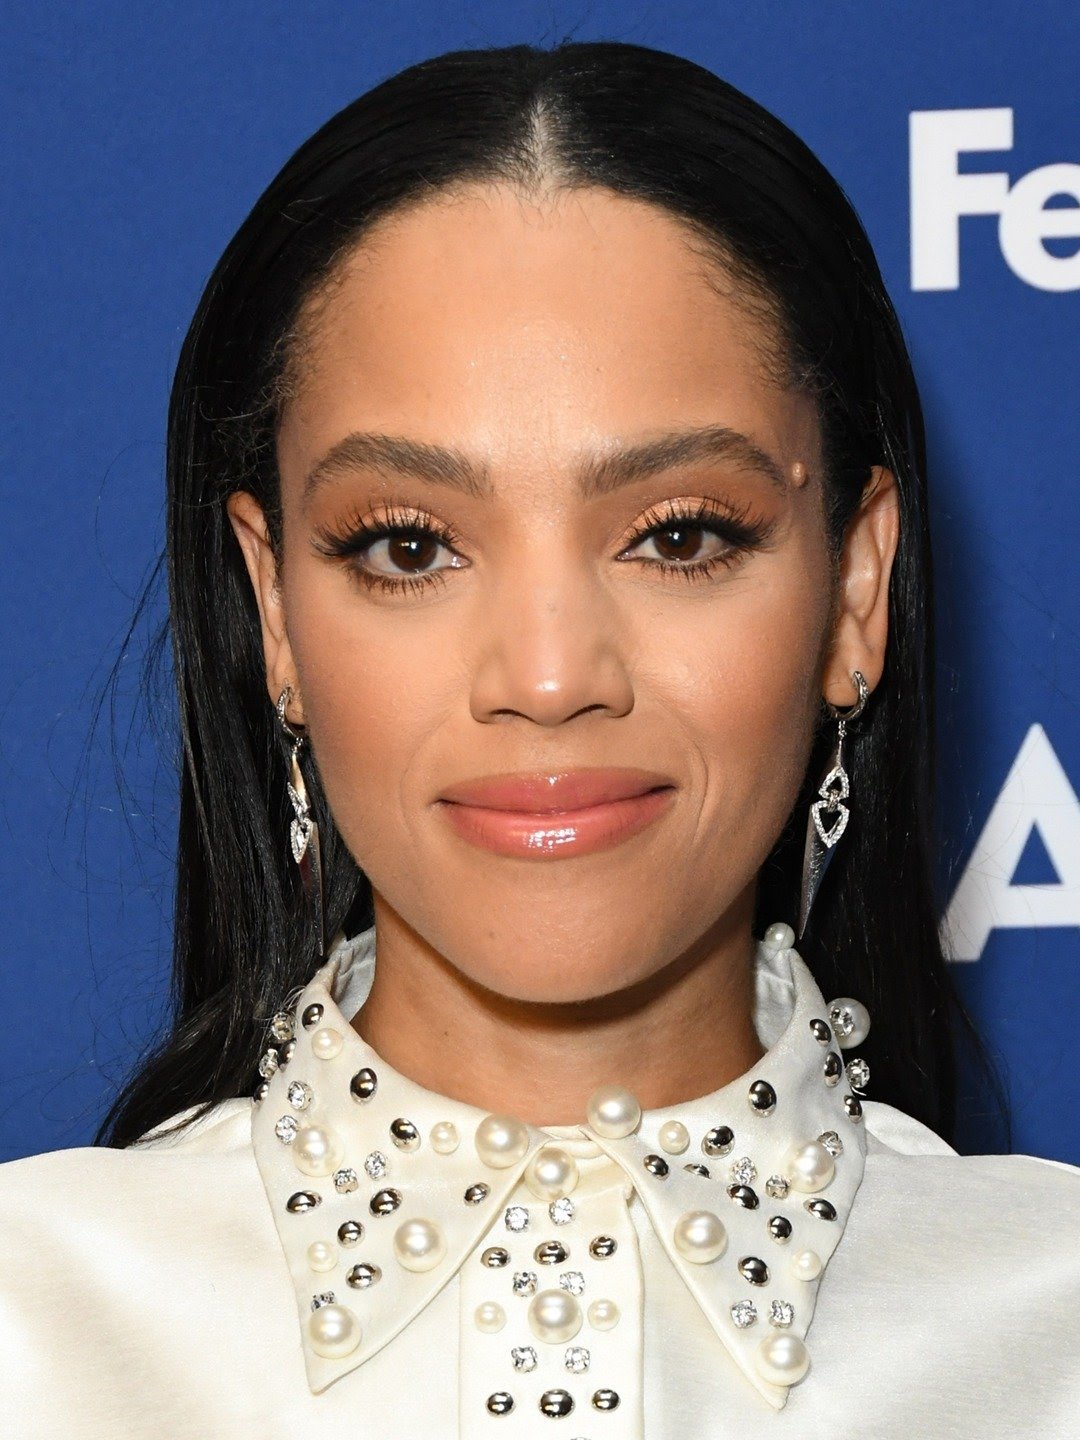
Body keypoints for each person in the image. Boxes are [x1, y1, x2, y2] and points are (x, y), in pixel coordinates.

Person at [2, 38, 1077, 1439]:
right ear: (275, 612)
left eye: (679, 537)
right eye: (409, 546)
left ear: (855, 588)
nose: (551, 676)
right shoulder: (32, 1320)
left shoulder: (1052, 1327)